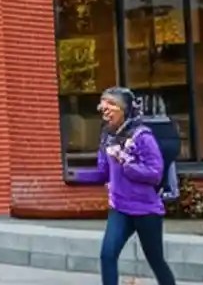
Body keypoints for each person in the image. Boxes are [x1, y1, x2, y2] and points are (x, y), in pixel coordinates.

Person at [71, 87, 177, 285]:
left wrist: (128, 166)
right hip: (119, 208)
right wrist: (74, 175)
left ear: (125, 109)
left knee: (156, 260)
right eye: (103, 105)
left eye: (112, 104)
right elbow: (103, 173)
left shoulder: (142, 136)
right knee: (107, 255)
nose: (106, 109)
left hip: (146, 210)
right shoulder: (107, 137)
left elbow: (155, 173)